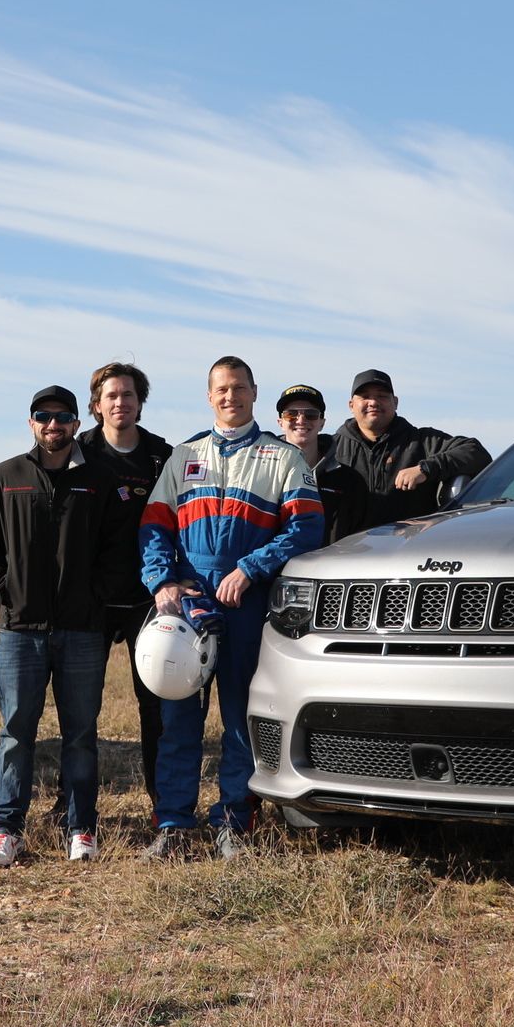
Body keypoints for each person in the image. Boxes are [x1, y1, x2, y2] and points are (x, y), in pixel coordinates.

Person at [140, 357, 322, 860]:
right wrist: (162, 581)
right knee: (177, 718)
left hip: (246, 602)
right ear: (208, 395)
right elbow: (155, 526)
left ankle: (234, 823)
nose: (230, 397)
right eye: (221, 389)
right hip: (188, 603)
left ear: (254, 392)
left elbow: (306, 529)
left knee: (240, 718)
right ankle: (174, 824)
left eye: (239, 388)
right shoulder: (185, 455)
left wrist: (251, 568)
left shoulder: (283, 457)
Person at [0, 386, 134, 866]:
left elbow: (120, 547)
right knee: (16, 731)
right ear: (32, 423)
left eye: (63, 417)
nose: (53, 425)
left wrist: (98, 597)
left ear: (78, 424)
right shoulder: (6, 476)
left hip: (83, 629)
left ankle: (81, 828)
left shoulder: (101, 480)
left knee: (80, 733)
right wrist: (3, 590)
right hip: (21, 629)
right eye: (44, 417)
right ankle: (5, 830)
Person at [74, 361, 174, 805]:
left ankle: (161, 799)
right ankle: (76, 803)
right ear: (97, 405)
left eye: (128, 395)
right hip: (89, 598)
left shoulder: (162, 455)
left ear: (140, 402)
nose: (120, 403)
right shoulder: (77, 453)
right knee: (82, 709)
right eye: (111, 396)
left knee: (155, 707)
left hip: (146, 599)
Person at [332, 369, 492, 529]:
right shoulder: (330, 449)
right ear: (351, 405)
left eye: (382, 396)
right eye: (365, 396)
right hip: (345, 551)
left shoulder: (423, 441)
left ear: (395, 402)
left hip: (408, 549)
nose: (373, 402)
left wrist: (426, 469)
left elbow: (475, 452)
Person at [274, 384, 369, 543]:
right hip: (275, 566)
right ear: (280, 422)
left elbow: (360, 538)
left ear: (322, 423)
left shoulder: (350, 480)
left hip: (332, 566)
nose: (301, 419)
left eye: (311, 414)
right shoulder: (263, 474)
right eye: (291, 414)